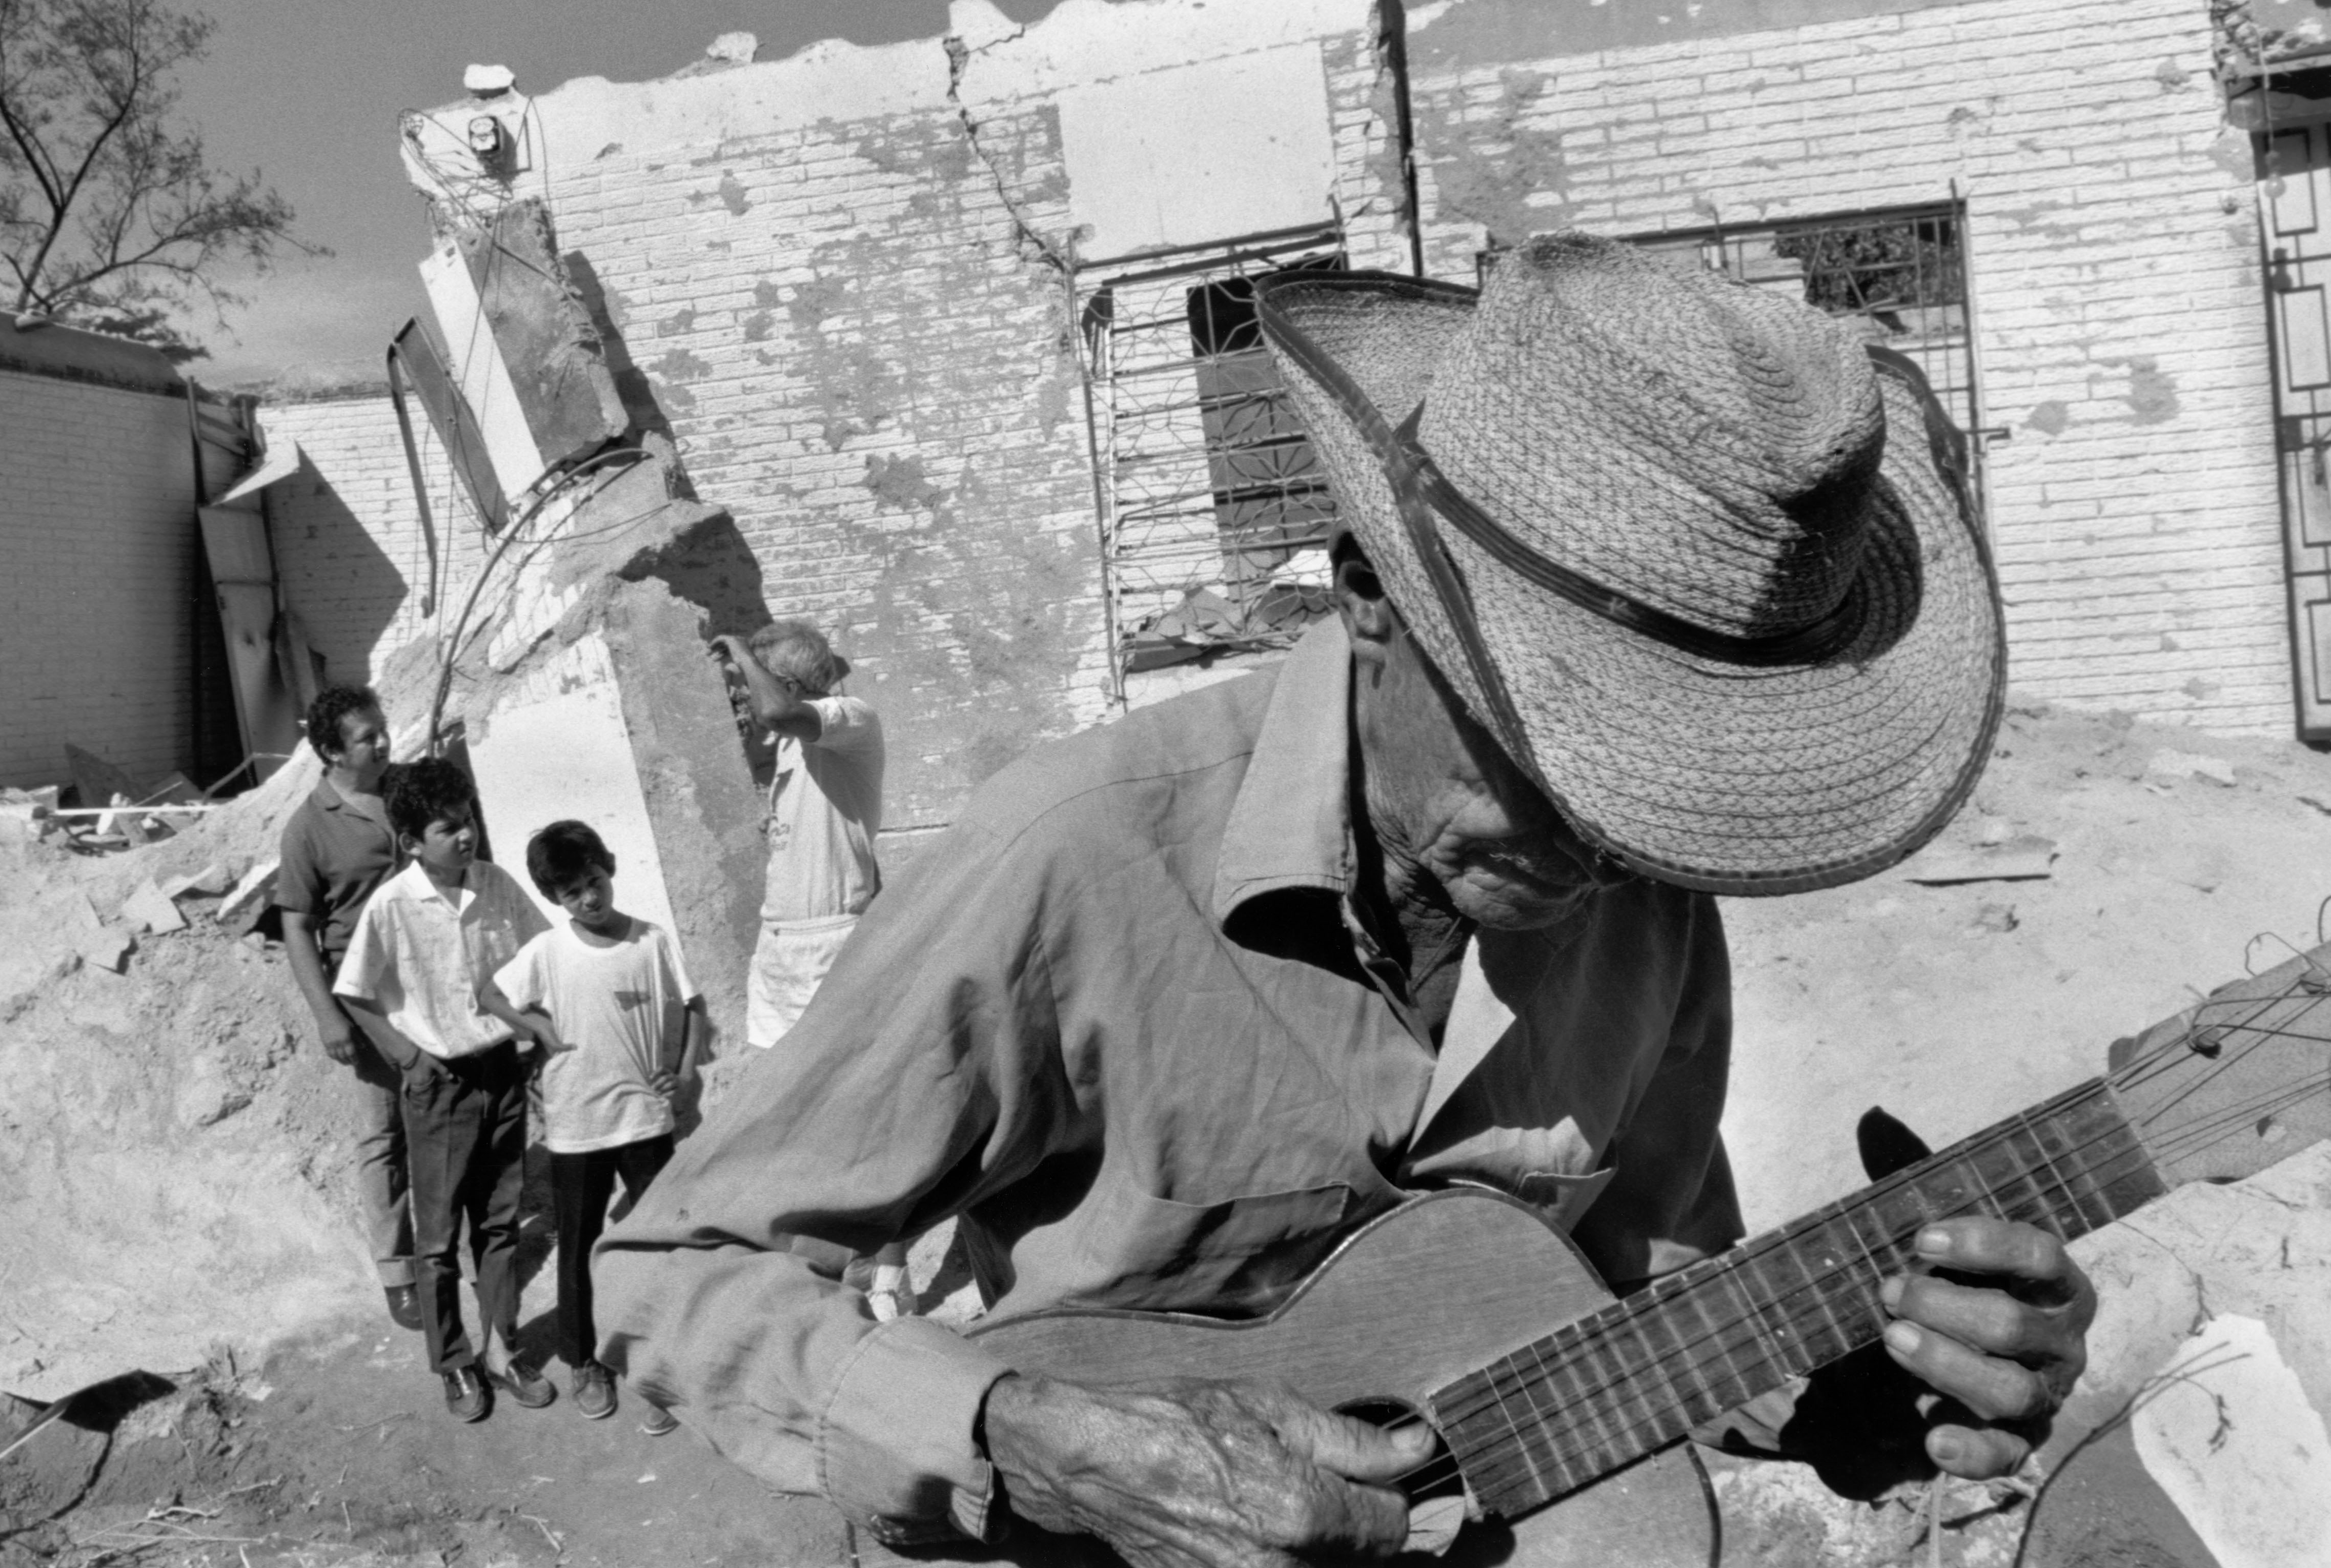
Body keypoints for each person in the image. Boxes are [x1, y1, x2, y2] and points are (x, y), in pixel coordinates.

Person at [595, 234, 2097, 1561]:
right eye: (1552, 732)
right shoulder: (1073, 853)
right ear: (1369, 591)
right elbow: (671, 1272)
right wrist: (1015, 1433)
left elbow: (1640, 1313)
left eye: (1663, 785)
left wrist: (1840, 1384)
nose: (1604, 835)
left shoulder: (1648, 909)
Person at [332, 758, 555, 1424]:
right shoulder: (392, 904)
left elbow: (544, 955)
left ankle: (502, 1348)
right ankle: (454, 1362)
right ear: (411, 841)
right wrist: (408, 1056)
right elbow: (357, 992)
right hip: (439, 1085)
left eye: (469, 821)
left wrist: (538, 1039)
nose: (466, 836)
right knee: (436, 1240)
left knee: (497, 1224)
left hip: (499, 1073)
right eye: (447, 826)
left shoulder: (497, 884)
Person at [478, 820, 703, 1434]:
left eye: (595, 881)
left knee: (661, 1241)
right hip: (577, 1125)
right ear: (556, 898)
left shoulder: (651, 940)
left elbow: (692, 1006)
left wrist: (681, 1075)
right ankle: (585, 1361)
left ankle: (664, 1365)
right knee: (577, 1244)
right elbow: (490, 991)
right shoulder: (548, 953)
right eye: (573, 892)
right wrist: (538, 1031)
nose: (590, 898)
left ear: (609, 867)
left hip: (645, 1120)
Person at [272, 684, 417, 1331]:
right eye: (368, 737)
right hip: (364, 996)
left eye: (383, 730)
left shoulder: (408, 790)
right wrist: (328, 1016)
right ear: (332, 750)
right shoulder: (310, 826)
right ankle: (398, 1271)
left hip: (432, 980)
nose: (383, 742)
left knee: (446, 1118)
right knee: (383, 1134)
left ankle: (454, 1247)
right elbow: (298, 928)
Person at [711, 620, 885, 1052]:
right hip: (779, 940)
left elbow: (778, 712)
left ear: (785, 684)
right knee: (779, 1081)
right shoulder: (789, 746)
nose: (742, 698)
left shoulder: (851, 717)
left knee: (836, 1074)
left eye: (749, 685)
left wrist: (743, 651)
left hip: (826, 942)